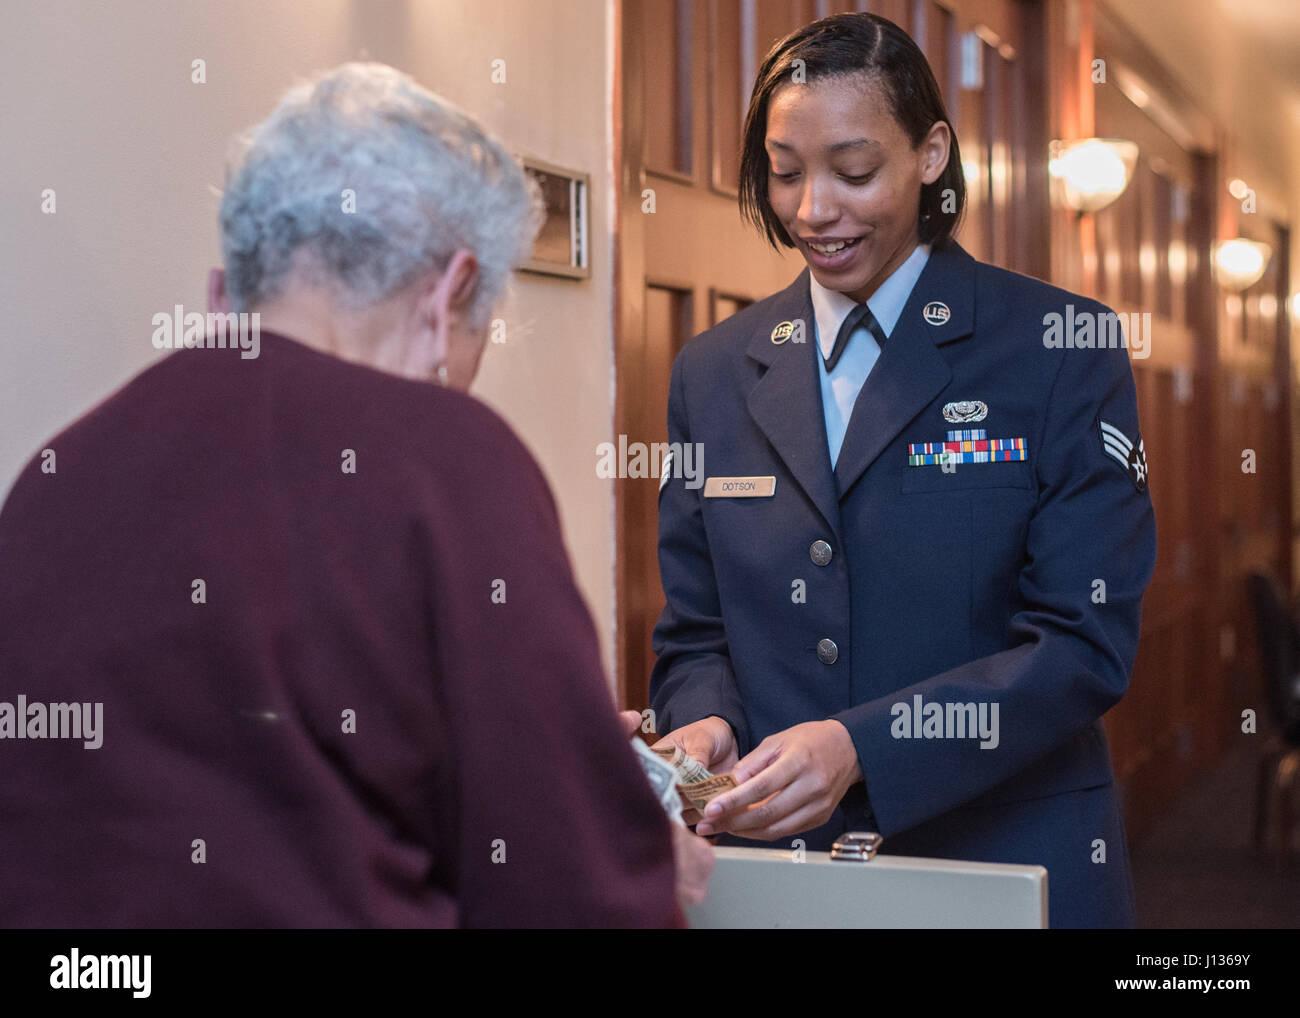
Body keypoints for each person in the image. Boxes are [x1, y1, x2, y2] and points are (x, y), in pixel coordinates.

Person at [0, 62, 710, 928]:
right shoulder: (447, 463)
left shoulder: (53, 478)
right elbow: (566, 891)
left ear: (226, 293)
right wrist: (640, 853)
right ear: (446, 299)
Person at [648, 13, 1156, 928]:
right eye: (786, 171)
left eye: (853, 172)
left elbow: (1083, 645)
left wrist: (864, 747)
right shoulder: (713, 371)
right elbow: (696, 631)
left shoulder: (1059, 349)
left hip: (1002, 855)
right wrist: (705, 721)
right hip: (774, 869)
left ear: (929, 155)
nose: (812, 212)